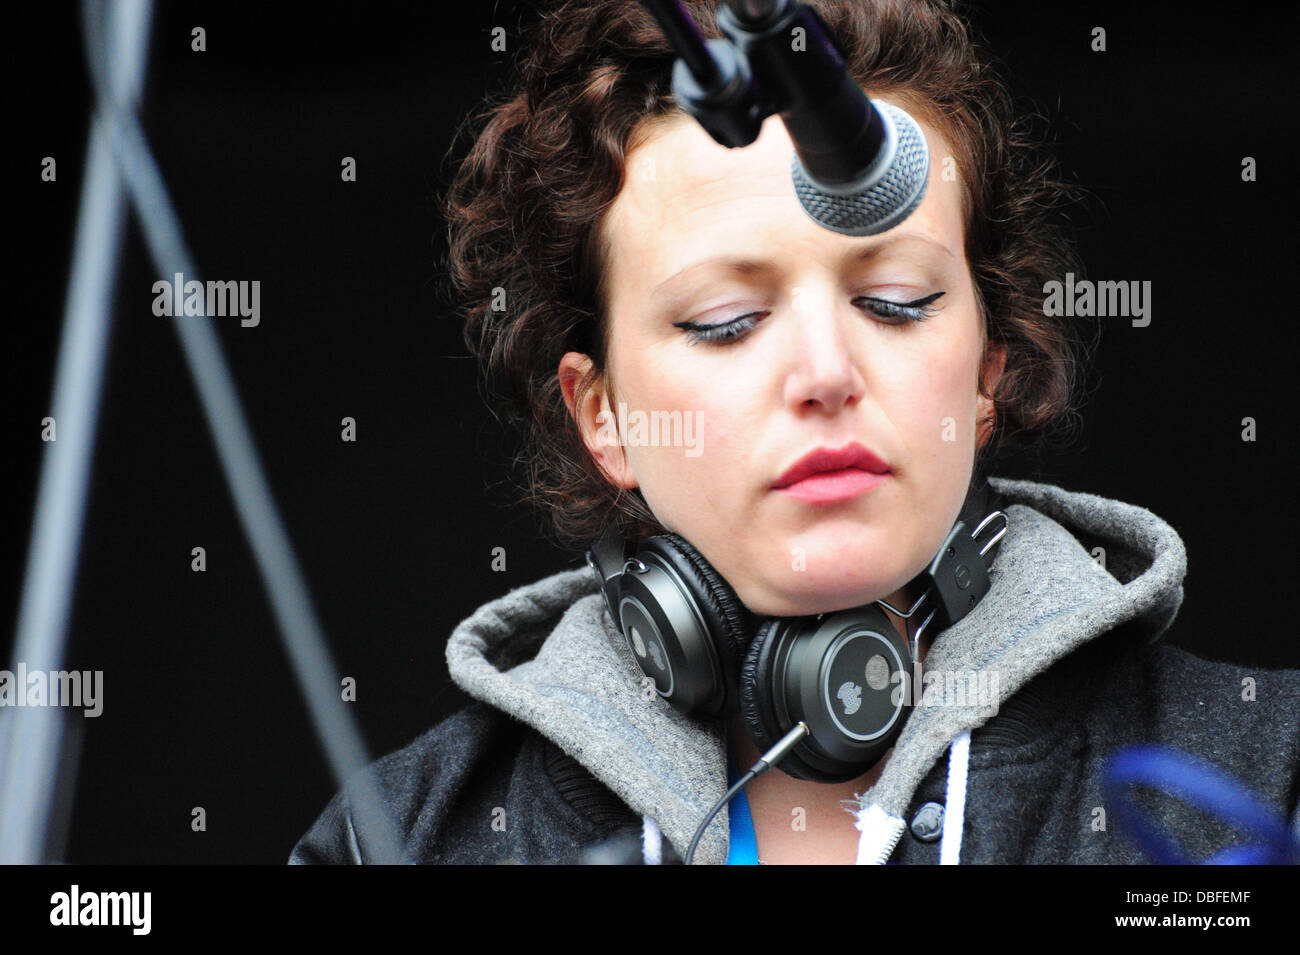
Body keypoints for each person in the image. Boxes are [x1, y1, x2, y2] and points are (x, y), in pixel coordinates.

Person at [288, 0, 1300, 865]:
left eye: (897, 301)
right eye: (725, 321)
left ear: (988, 375)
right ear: (604, 416)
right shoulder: (398, 841)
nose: (824, 373)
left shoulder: (1269, 776)